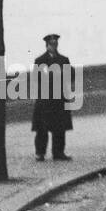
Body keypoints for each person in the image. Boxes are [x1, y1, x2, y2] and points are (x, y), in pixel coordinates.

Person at [31, 33, 74, 162]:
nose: (53, 46)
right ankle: (40, 153)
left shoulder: (64, 60)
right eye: (51, 44)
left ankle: (58, 152)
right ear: (47, 45)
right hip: (45, 100)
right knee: (42, 128)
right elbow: (36, 78)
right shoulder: (40, 61)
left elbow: (70, 75)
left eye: (55, 44)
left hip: (60, 99)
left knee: (60, 128)